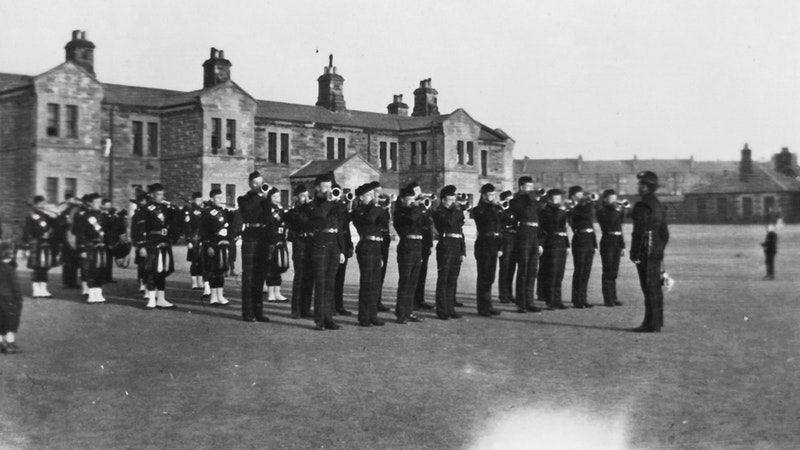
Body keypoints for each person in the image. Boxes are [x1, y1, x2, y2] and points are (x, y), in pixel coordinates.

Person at [630, 171, 670, 333]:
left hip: (645, 248)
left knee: (648, 287)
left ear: (647, 187)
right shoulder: (658, 204)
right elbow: (664, 233)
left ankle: (650, 323)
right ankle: (657, 321)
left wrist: (635, 253)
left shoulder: (642, 205)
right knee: (655, 286)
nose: (639, 187)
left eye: (642, 184)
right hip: (656, 249)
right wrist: (660, 249)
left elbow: (639, 231)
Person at [307, 173, 345, 330]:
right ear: (317, 188)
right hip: (320, 244)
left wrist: (341, 249)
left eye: (331, 186)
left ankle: (328, 317)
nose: (330, 189)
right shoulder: (313, 204)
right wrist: (329, 202)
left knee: (330, 284)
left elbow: (341, 225)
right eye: (326, 187)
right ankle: (319, 320)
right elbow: (319, 215)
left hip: (333, 245)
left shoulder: (334, 204)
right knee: (321, 283)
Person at [236, 171, 273, 323]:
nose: (259, 186)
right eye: (256, 183)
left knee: (260, 276)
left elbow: (270, 219)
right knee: (248, 276)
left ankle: (259, 311)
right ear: (250, 183)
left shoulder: (265, 200)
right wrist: (259, 196)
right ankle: (247, 312)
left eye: (261, 183)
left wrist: (271, 242)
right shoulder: (244, 199)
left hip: (263, 238)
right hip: (250, 237)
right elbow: (247, 211)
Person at [134, 183, 177, 310]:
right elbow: (140, 229)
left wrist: (173, 207)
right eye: (158, 194)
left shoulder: (165, 208)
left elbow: (175, 219)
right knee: (152, 271)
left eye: (162, 194)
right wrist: (141, 245)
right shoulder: (145, 209)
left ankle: (161, 299)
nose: (161, 196)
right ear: (151, 195)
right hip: (152, 243)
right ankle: (152, 299)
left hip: (164, 242)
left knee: (163, 270)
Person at [351, 183, 388, 327]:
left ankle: (373, 315)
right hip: (366, 246)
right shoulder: (358, 211)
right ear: (361, 197)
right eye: (369, 195)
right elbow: (370, 219)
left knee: (375, 283)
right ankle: (364, 316)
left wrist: (383, 208)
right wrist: (377, 206)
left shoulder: (376, 209)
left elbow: (384, 222)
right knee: (367, 282)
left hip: (377, 246)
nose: (373, 197)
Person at [391, 187, 426, 324]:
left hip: (417, 245)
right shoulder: (400, 212)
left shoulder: (415, 211)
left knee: (413, 282)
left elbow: (425, 220)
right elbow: (411, 218)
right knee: (405, 281)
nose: (412, 201)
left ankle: (409, 311)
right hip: (407, 246)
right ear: (402, 199)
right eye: (409, 199)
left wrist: (422, 206)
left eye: (413, 198)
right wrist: (417, 207)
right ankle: (401, 313)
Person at [508, 176, 542, 313]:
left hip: (534, 235)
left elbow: (539, 216)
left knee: (533, 270)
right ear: (521, 187)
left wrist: (540, 242)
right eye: (528, 187)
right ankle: (521, 303)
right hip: (523, 234)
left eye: (532, 187)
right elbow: (525, 213)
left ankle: (530, 301)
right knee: (524, 269)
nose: (531, 190)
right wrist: (531, 199)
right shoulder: (515, 201)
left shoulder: (534, 201)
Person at [432, 185, 466, 320]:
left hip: (456, 246)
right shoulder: (439, 212)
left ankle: (451, 308)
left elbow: (460, 231)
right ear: (443, 200)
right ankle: (442, 310)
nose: (452, 202)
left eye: (453, 199)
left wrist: (462, 250)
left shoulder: (455, 211)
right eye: (449, 200)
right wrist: (457, 209)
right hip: (445, 246)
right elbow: (448, 221)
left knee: (453, 280)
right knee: (444, 279)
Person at [471, 183, 503, 317]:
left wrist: (500, 247)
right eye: (490, 195)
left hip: (494, 242)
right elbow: (486, 219)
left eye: (493, 195)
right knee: (483, 276)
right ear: (483, 196)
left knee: (490, 276)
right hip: (484, 242)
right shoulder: (479, 209)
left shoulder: (495, 208)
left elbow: (500, 226)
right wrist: (494, 206)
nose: (492, 197)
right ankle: (482, 307)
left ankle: (488, 305)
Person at [285, 185, 314, 319]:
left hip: (310, 245)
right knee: (300, 277)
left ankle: (306, 308)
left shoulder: (311, 210)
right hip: (300, 245)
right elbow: (302, 220)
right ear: (296, 198)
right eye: (303, 196)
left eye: (307, 196)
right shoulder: (293, 212)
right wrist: (308, 207)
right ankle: (296, 309)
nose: (306, 199)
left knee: (310, 278)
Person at [200, 188, 233, 305]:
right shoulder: (206, 212)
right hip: (212, 245)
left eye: (221, 197)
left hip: (222, 245)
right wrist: (208, 245)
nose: (220, 199)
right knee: (213, 272)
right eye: (218, 198)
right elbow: (203, 231)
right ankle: (213, 296)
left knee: (221, 270)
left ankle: (220, 295)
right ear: (212, 199)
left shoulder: (223, 212)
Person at [537, 189, 570, 310]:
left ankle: (557, 299)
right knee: (551, 273)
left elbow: (564, 229)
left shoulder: (561, 211)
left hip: (561, 242)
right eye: (557, 198)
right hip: (551, 242)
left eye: (560, 198)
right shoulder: (546, 211)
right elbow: (553, 221)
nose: (560, 200)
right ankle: (550, 300)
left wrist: (567, 245)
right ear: (550, 199)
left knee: (559, 273)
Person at [74, 193, 108, 304]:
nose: (99, 204)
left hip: (100, 246)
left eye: (100, 202)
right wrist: (82, 248)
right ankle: (91, 294)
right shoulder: (84, 216)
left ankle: (99, 293)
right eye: (96, 202)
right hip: (89, 246)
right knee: (90, 270)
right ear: (90, 203)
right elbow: (80, 234)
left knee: (100, 269)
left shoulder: (101, 215)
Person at [22, 196, 58, 298]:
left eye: (44, 204)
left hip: (46, 245)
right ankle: (36, 290)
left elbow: (56, 226)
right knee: (37, 268)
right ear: (36, 205)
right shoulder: (31, 217)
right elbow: (26, 232)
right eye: (41, 204)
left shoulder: (46, 216)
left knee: (45, 267)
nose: (43, 206)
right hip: (36, 244)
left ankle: (44, 289)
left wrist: (55, 216)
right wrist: (26, 246)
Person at [406, 183, 435, 311]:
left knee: (422, 272)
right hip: (415, 242)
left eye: (420, 191)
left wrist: (429, 244)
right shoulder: (413, 207)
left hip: (423, 242)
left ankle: (420, 299)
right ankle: (412, 301)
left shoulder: (423, 206)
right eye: (417, 192)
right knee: (414, 274)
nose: (420, 194)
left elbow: (428, 226)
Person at [567, 186, 597, 309]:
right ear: (573, 196)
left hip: (589, 239)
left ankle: (583, 298)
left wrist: (595, 244)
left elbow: (590, 221)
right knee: (579, 270)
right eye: (578, 195)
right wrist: (580, 204)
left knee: (586, 271)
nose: (581, 197)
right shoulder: (571, 208)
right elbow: (574, 220)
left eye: (582, 194)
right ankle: (576, 299)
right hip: (579, 239)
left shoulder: (585, 206)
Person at [596, 190, 626, 306]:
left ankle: (614, 297)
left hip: (617, 242)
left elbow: (619, 226)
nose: (614, 200)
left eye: (615, 198)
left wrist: (622, 246)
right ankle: (608, 299)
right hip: (607, 241)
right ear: (605, 199)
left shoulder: (615, 210)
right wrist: (617, 209)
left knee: (614, 272)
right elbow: (611, 220)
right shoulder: (601, 211)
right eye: (611, 198)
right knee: (608, 271)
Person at [332, 183, 354, 315]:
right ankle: (331, 306)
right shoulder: (330, 206)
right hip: (333, 245)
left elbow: (346, 228)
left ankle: (339, 305)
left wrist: (350, 245)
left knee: (340, 278)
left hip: (343, 244)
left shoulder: (342, 207)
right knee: (331, 278)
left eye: (337, 192)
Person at [264, 188, 289, 302]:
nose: (277, 199)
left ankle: (277, 292)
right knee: (271, 267)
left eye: (278, 196)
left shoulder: (281, 210)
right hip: (271, 241)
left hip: (280, 240)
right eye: (274, 196)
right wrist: (270, 242)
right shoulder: (267, 210)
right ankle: (270, 292)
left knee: (279, 267)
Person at [0, 240, 23, 354]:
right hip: (9, 299)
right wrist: (19, 299)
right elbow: (15, 286)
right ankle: (10, 343)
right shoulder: (10, 269)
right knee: (11, 322)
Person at [373, 183, 393, 313]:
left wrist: (387, 208)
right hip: (375, 242)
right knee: (374, 274)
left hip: (384, 241)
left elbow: (387, 222)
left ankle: (378, 301)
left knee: (382, 273)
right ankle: (373, 302)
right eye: (377, 193)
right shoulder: (371, 208)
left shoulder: (383, 208)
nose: (380, 195)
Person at [58, 194, 83, 289]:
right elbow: (61, 224)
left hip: (73, 238)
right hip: (66, 240)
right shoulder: (64, 212)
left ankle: (72, 282)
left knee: (75, 262)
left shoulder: (75, 211)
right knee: (67, 262)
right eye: (71, 201)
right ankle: (66, 282)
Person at [497, 190, 517, 304]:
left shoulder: (514, 210)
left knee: (512, 268)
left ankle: (509, 293)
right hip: (505, 239)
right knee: (504, 268)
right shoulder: (501, 210)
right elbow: (500, 225)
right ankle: (503, 294)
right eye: (509, 199)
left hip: (514, 239)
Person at [184, 192, 206, 293]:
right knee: (194, 260)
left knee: (201, 259)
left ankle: (200, 280)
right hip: (193, 237)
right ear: (193, 200)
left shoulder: (203, 210)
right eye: (198, 200)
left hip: (202, 237)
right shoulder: (189, 210)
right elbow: (188, 226)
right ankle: (194, 281)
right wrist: (188, 240)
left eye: (201, 200)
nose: (200, 202)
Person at [130, 191, 149, 298]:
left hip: (148, 241)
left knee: (148, 264)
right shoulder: (137, 215)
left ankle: (147, 284)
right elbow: (134, 230)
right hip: (140, 242)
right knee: (141, 264)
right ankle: (142, 283)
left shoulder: (149, 213)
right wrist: (136, 243)